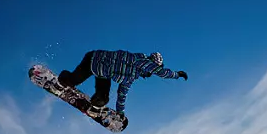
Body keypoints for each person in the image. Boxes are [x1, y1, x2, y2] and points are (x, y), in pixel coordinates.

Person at [57, 50, 188, 113]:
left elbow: (122, 94)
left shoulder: (132, 76)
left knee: (101, 100)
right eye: (153, 69)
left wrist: (120, 112)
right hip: (93, 60)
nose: (150, 74)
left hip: (102, 73)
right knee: (71, 80)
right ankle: (60, 81)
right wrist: (177, 74)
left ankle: (93, 103)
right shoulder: (140, 61)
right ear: (152, 64)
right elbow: (160, 72)